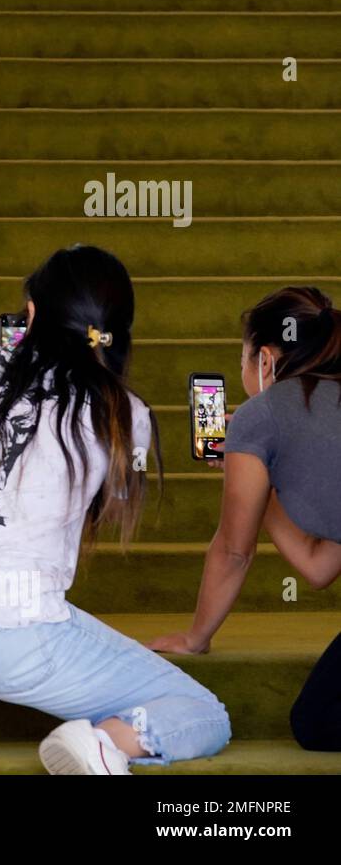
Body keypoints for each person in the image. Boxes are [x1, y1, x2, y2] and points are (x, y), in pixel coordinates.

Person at [0, 245, 231, 774]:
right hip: (10, 641)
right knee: (201, 712)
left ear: (30, 314)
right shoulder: (124, 415)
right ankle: (104, 746)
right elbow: (113, 498)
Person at [149, 286, 341, 751]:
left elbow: (234, 550)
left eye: (243, 359)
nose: (241, 372)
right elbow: (320, 567)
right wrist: (263, 478)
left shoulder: (260, 414)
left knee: (317, 724)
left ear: (266, 360)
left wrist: (196, 638)